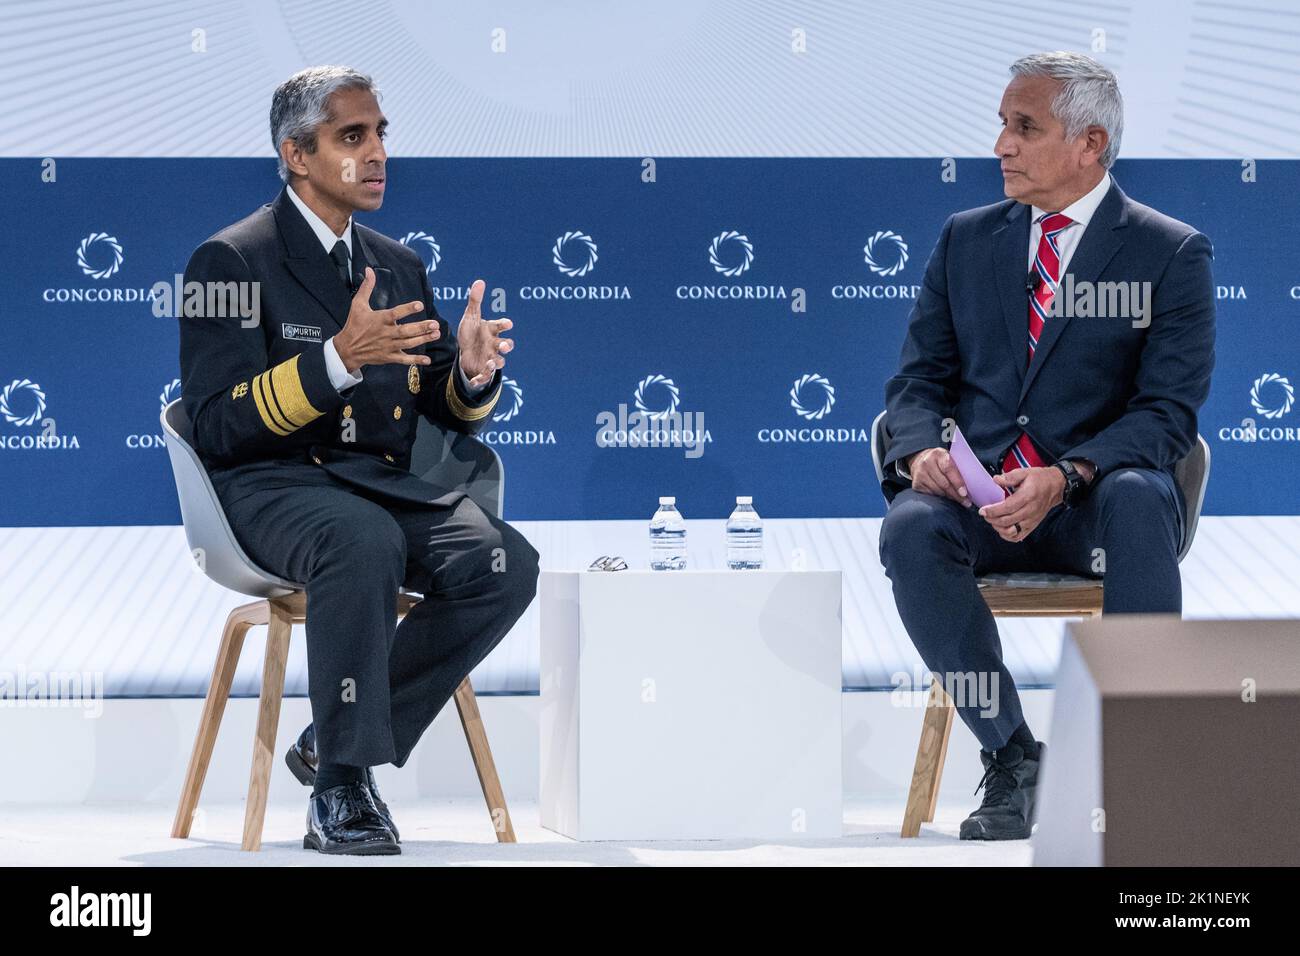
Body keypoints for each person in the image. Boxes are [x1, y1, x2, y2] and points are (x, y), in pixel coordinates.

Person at [178, 66, 539, 855]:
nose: (377, 152)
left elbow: (441, 408)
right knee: (360, 539)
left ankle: (323, 740)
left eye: (380, 133)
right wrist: (336, 360)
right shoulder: (227, 261)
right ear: (296, 154)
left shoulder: (400, 264)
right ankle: (344, 784)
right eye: (353, 136)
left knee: (503, 563)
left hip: (375, 484)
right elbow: (214, 423)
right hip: (268, 485)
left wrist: (472, 375)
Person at [878, 51, 1215, 840]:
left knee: (1139, 494)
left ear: (1090, 143)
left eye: (1023, 127)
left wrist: (1065, 476)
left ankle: (1138, 761)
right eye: (1001, 124)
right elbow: (917, 384)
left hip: (1093, 506)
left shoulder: (1169, 252)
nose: (1000, 144)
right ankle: (1014, 756)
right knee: (909, 525)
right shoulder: (965, 240)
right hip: (980, 504)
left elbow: (1167, 413)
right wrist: (923, 450)